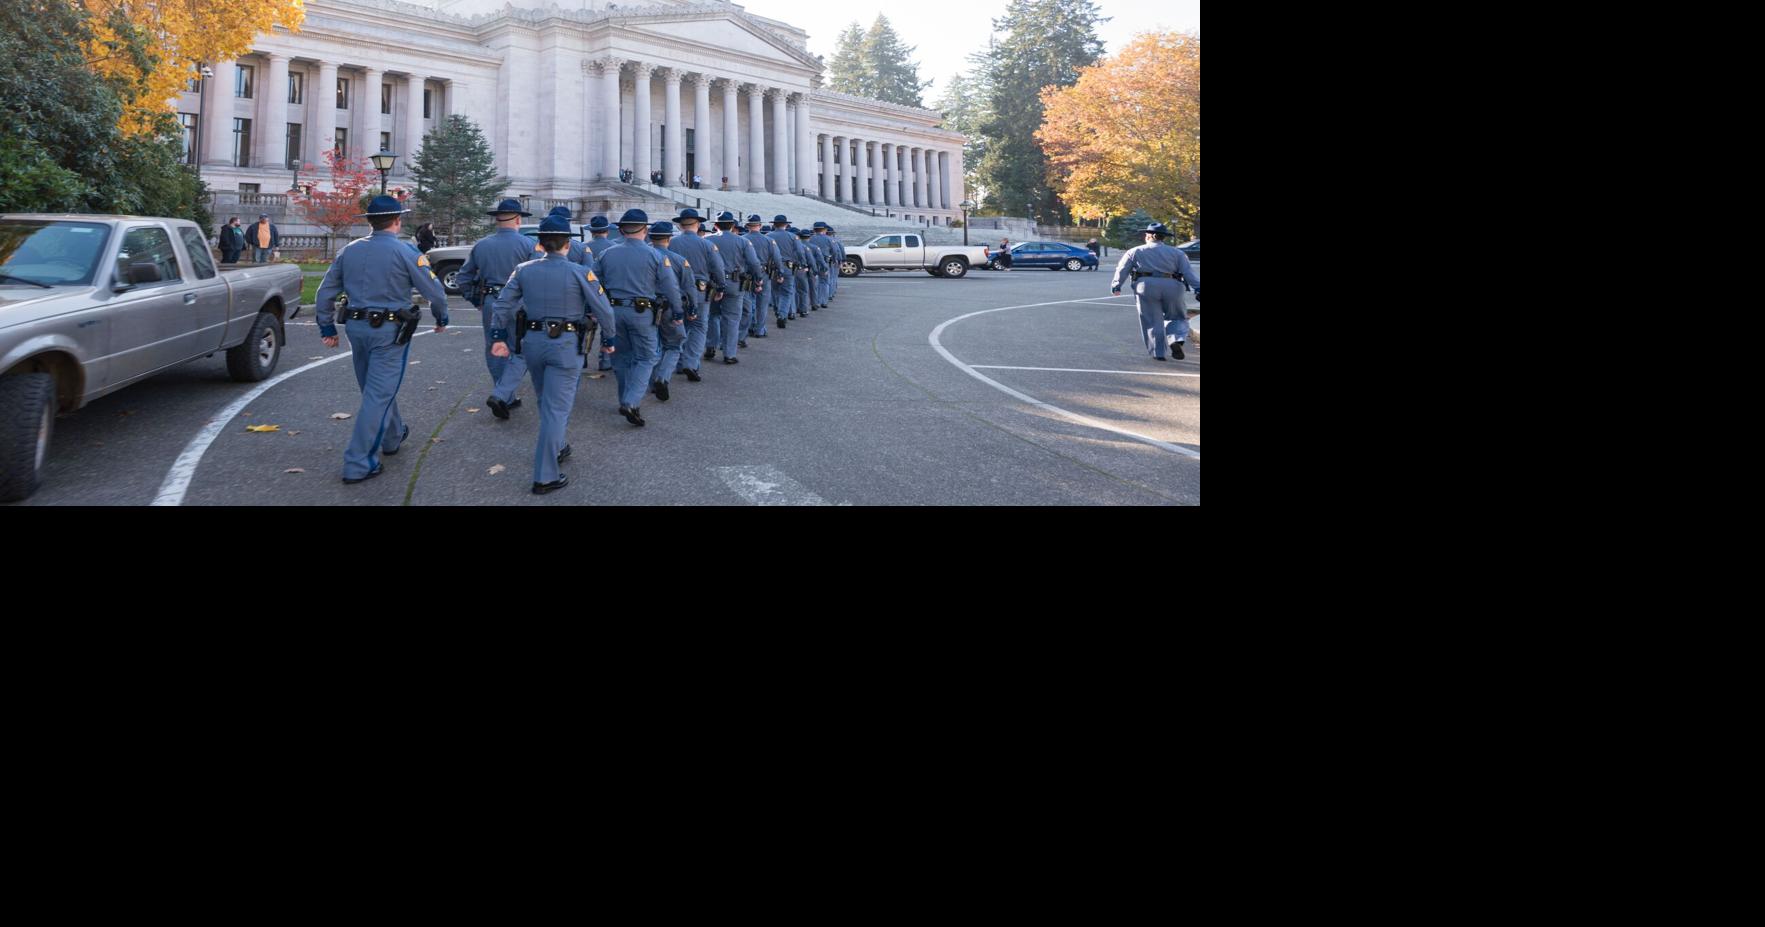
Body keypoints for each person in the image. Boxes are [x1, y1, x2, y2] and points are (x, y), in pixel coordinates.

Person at [314, 195, 450, 483]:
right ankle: (359, 462)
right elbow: (435, 292)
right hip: (389, 332)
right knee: (378, 393)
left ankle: (392, 436)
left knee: (374, 388)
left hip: (356, 328)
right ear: (397, 221)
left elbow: (324, 292)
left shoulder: (349, 250)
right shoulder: (407, 252)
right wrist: (441, 318)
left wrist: (326, 327)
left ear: (371, 223)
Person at [488, 213, 618, 494]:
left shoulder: (523, 269)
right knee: (556, 408)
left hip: (533, 342)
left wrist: (498, 337)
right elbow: (603, 309)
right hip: (565, 345)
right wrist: (609, 339)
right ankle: (545, 475)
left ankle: (558, 445)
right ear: (567, 245)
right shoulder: (580, 272)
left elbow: (502, 306)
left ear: (541, 244)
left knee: (546, 398)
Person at [594, 209, 681, 426]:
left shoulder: (607, 254)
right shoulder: (656, 255)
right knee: (647, 357)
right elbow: (670, 287)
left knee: (621, 357)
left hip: (613, 311)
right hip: (643, 313)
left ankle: (624, 398)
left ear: (621, 229)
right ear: (646, 229)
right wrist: (677, 312)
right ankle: (631, 401)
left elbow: (594, 285)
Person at [455, 197, 538, 418]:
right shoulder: (529, 245)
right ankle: (503, 393)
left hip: (491, 301)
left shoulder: (482, 245)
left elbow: (463, 278)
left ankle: (505, 395)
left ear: (497, 220)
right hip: (520, 303)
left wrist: (476, 300)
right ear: (518, 219)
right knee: (520, 349)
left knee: (495, 347)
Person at [1110, 222, 1200, 362]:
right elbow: (1188, 272)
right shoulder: (1178, 253)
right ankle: (1175, 339)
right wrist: (1198, 288)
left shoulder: (1135, 251)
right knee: (1177, 316)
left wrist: (1116, 285)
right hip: (1173, 286)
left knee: (1152, 320)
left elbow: (1122, 269)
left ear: (1149, 236)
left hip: (1145, 286)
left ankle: (1158, 353)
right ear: (1163, 237)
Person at [666, 209, 726, 375]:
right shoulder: (707, 244)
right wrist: (721, 287)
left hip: (675, 290)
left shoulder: (670, 242)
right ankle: (691, 363)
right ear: (698, 225)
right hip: (700, 291)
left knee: (678, 327)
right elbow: (718, 268)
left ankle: (677, 362)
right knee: (699, 328)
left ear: (680, 225)